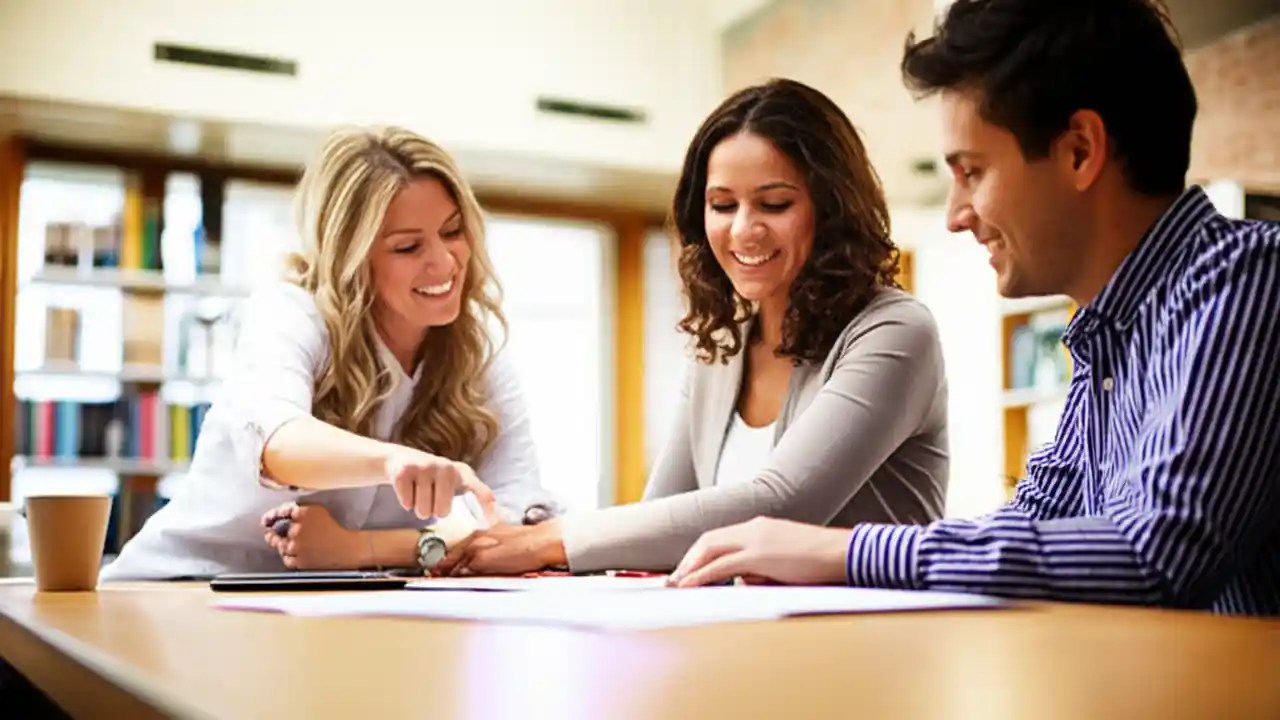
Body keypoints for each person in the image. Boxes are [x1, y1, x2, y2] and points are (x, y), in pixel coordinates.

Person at [667, 0, 1280, 617]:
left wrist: (844, 552)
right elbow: (1034, 519)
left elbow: (1155, 553)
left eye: (973, 173)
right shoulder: (1109, 333)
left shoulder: (1248, 281)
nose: (956, 215)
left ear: (1079, 152)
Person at [436, 79, 949, 576]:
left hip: (874, 642)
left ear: (832, 210)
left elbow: (780, 504)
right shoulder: (721, 347)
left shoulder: (895, 331)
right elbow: (664, 512)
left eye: (774, 204)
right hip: (747, 641)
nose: (744, 229)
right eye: (723, 205)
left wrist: (552, 540)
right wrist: (540, 535)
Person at [100, 126, 560, 580]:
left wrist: (361, 549)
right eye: (408, 246)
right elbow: (279, 442)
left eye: (453, 231)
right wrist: (390, 461)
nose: (444, 262)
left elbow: (511, 529)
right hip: (188, 586)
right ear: (352, 257)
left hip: (337, 605)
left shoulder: (477, 355)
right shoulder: (291, 311)